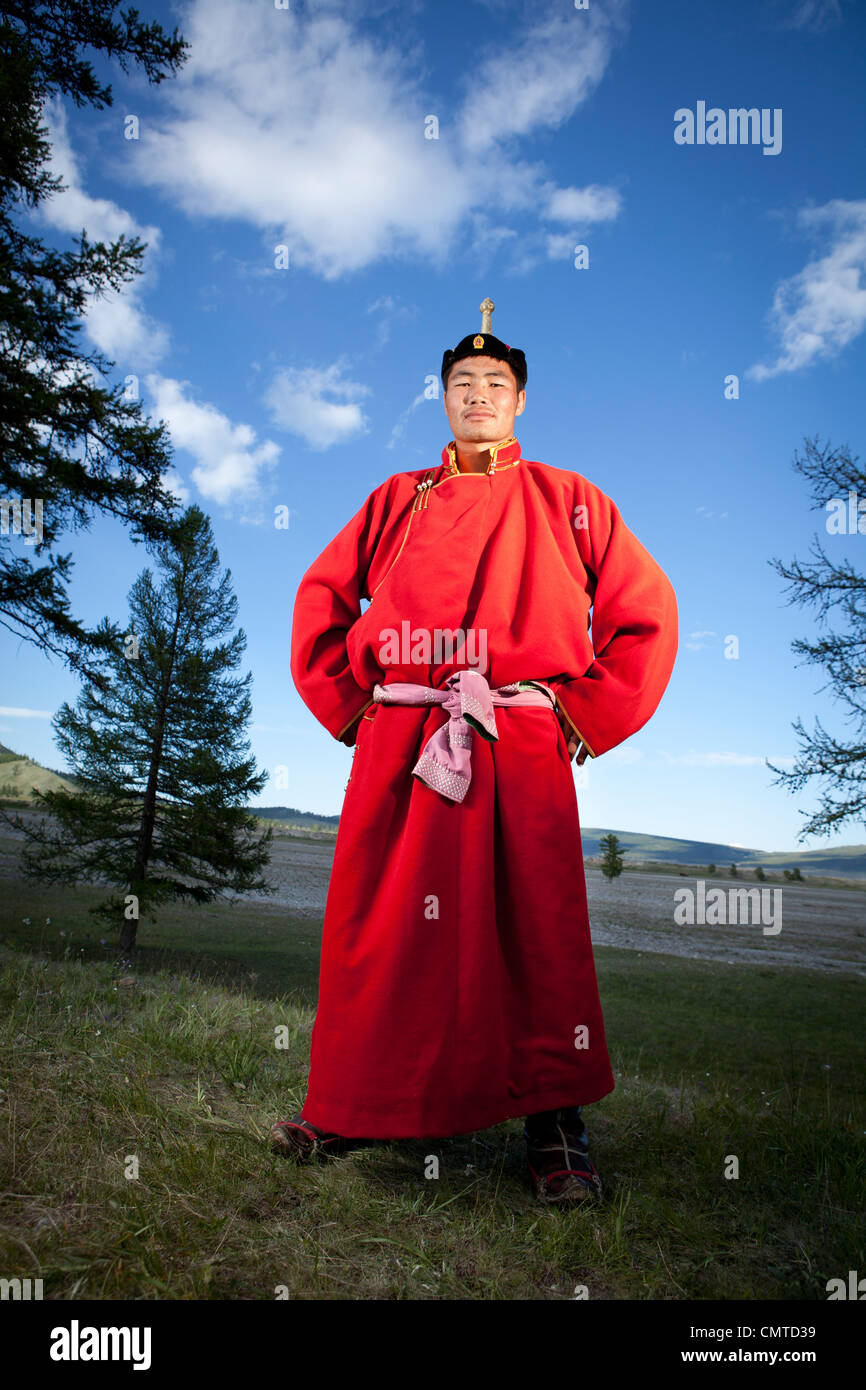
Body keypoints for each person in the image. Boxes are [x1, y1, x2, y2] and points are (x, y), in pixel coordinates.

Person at [272, 300, 678, 1204]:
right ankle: (349, 1102)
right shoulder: (394, 498)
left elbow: (646, 616)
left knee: (535, 935)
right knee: (378, 933)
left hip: (520, 741)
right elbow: (321, 601)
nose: (480, 395)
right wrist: (353, 712)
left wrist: (577, 717)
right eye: (463, 384)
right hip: (403, 740)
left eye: (496, 383)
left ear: (521, 400)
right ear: (443, 401)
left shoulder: (570, 500)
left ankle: (555, 1123)